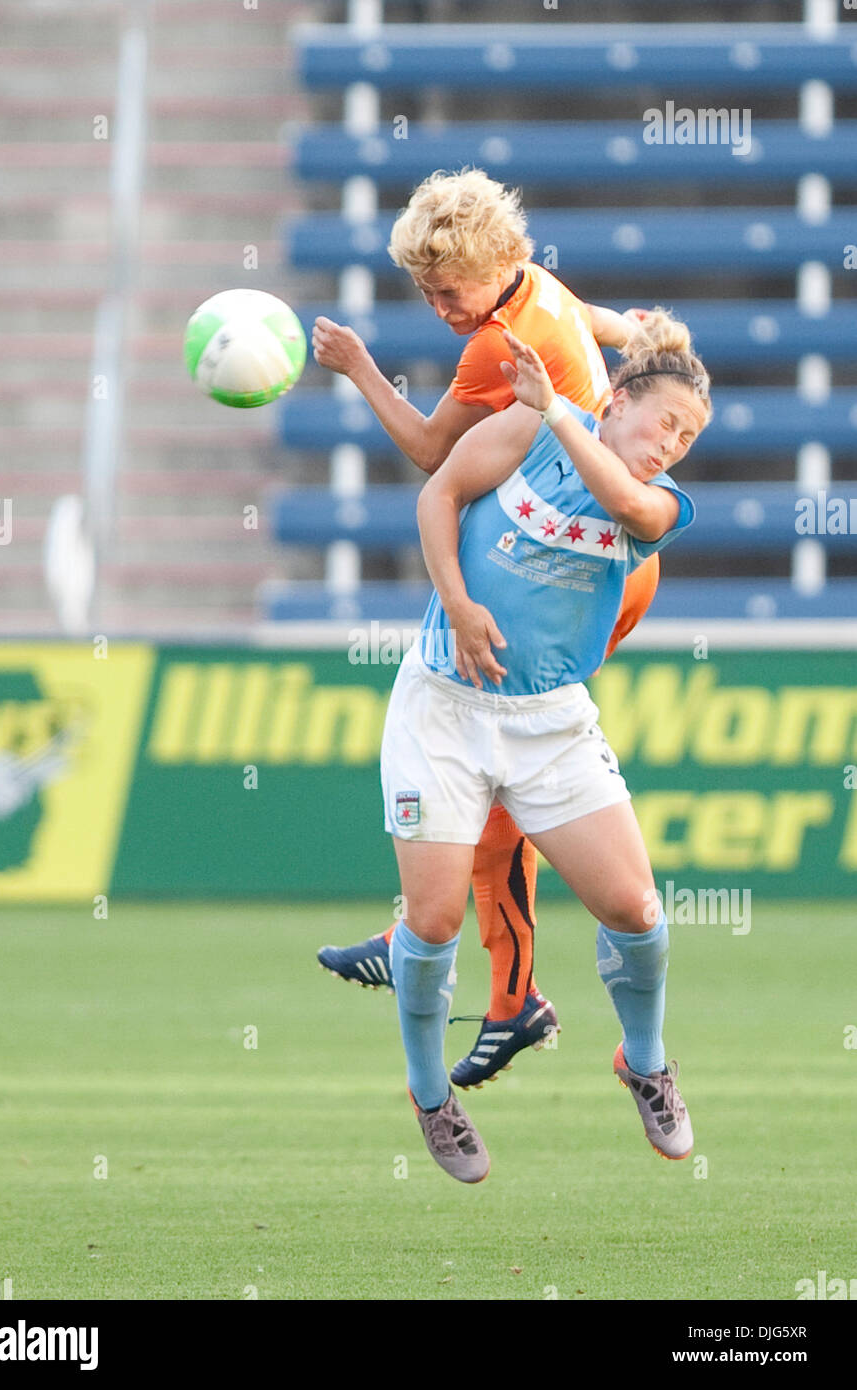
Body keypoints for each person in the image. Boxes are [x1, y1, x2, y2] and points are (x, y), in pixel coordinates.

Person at [313, 168, 661, 1084]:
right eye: (424, 292)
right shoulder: (538, 286)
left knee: (498, 760)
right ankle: (499, 990)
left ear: (495, 263)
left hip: (570, 569)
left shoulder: (500, 340)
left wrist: (357, 370)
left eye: (447, 289)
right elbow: (611, 325)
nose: (437, 307)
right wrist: (653, 335)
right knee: (497, 787)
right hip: (600, 560)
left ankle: (498, 989)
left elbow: (432, 452)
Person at [378, 310, 711, 1181]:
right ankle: (428, 1093)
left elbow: (630, 505)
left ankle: (644, 1060)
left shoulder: (658, 502)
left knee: (637, 911)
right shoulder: (527, 427)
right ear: (623, 398)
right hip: (443, 707)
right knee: (434, 920)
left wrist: (563, 409)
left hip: (549, 722)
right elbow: (438, 494)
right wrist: (454, 601)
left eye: (688, 437)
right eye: (665, 420)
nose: (673, 444)